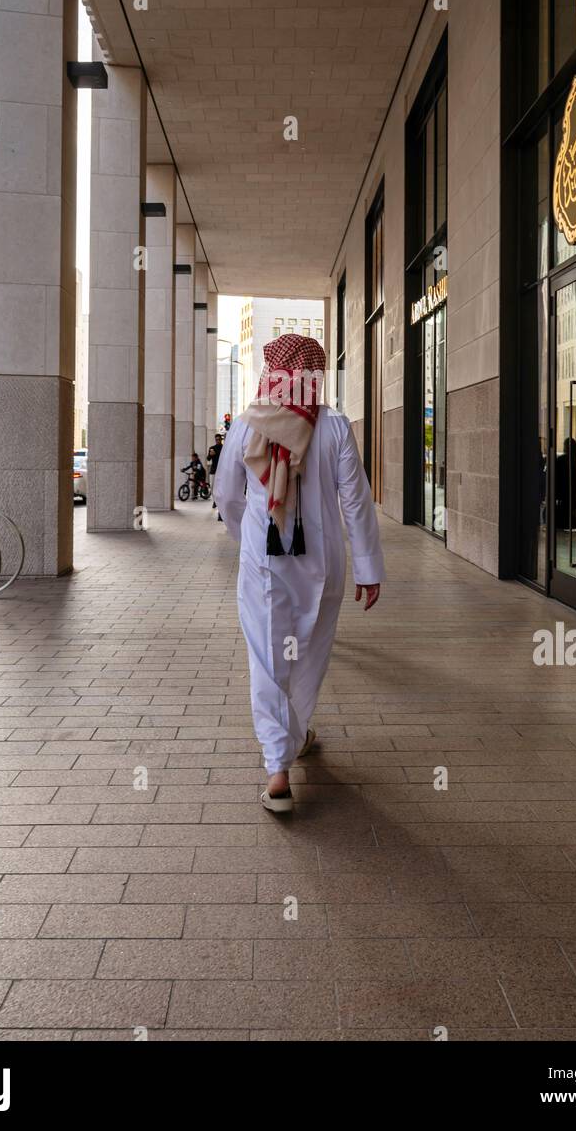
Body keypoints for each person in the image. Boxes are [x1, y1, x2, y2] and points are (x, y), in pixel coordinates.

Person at [214, 334, 384, 813]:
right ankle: (293, 738)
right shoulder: (334, 426)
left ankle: (278, 768)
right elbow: (355, 501)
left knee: (267, 658)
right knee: (309, 653)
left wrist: (243, 535)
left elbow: (227, 496)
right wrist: (369, 568)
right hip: (323, 563)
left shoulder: (250, 423)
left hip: (264, 561)